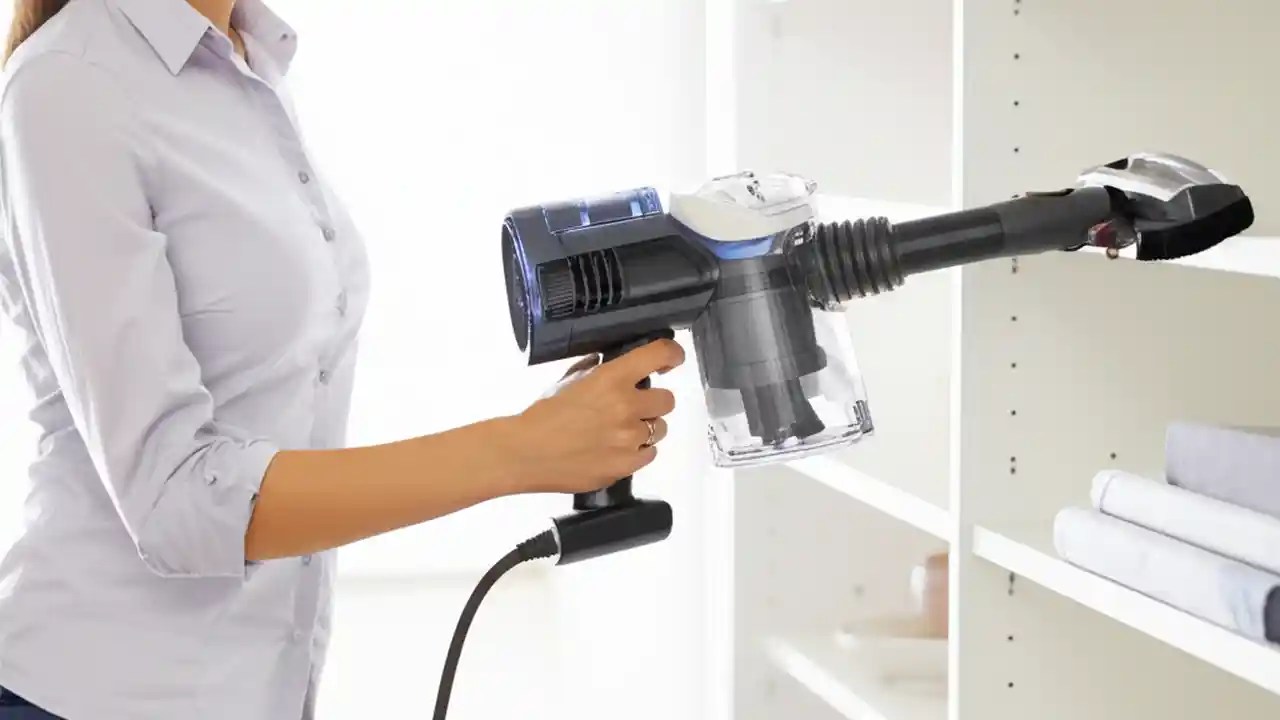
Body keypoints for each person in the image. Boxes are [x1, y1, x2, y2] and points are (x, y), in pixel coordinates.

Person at [0, 0, 685, 718]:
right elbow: (175, 500)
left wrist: (550, 431)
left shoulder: (250, 60)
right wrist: (522, 449)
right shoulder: (69, 84)